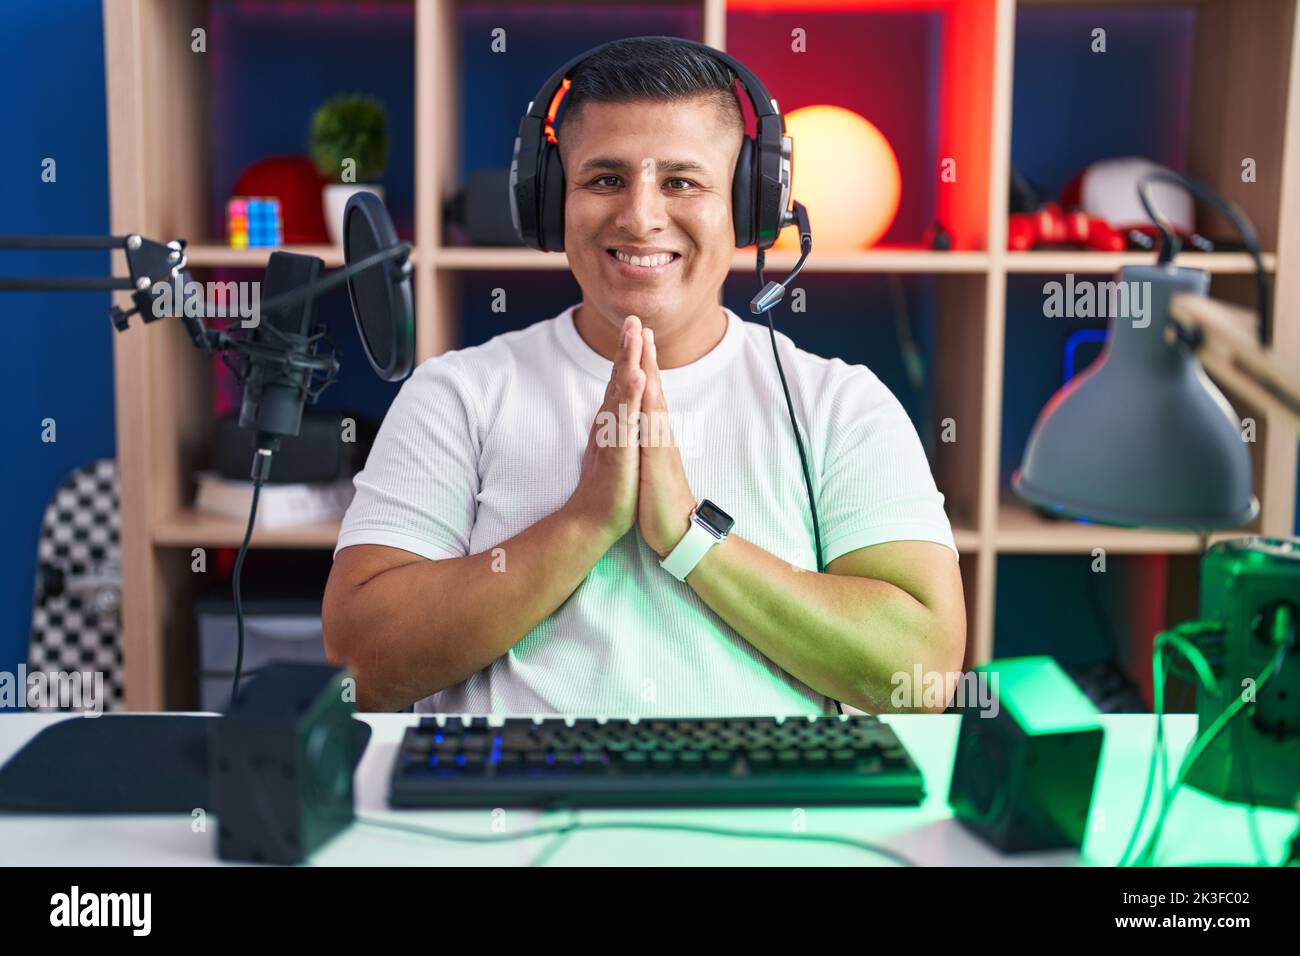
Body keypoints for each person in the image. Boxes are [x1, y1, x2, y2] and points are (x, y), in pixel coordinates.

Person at [322, 37, 965, 715]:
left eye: (682, 181)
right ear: (550, 203)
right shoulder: (454, 395)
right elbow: (359, 666)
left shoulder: (841, 406)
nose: (641, 216)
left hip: (764, 808)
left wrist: (690, 536)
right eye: (605, 179)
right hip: (514, 807)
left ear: (752, 205)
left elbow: (918, 673)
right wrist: (582, 524)